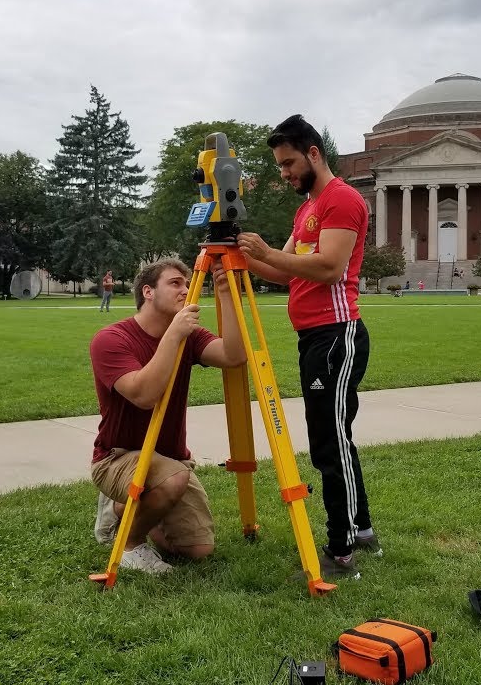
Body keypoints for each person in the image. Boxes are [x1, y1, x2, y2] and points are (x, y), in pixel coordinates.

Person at [235, 114, 380, 579]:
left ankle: (341, 551)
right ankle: (361, 531)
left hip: (336, 335)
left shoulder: (342, 200)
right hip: (315, 338)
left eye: (289, 163)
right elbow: (285, 270)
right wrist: (243, 263)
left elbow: (329, 268)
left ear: (314, 154)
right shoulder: (307, 210)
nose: (285, 173)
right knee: (336, 438)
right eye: (280, 166)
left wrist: (263, 252)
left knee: (327, 443)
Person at [88, 257, 246, 574]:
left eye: (187, 284)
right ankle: (130, 543)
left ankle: (128, 510)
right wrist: (173, 336)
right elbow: (144, 396)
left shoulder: (190, 336)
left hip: (171, 460)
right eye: (175, 283)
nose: (186, 291)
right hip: (118, 457)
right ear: (148, 291)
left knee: (198, 550)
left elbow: (233, 355)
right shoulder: (111, 339)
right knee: (173, 480)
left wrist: (228, 294)